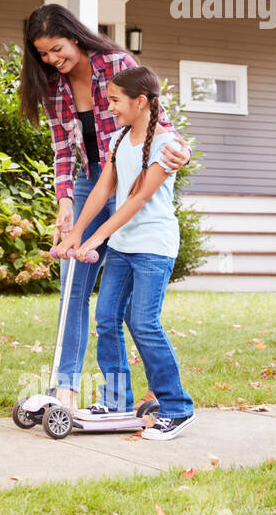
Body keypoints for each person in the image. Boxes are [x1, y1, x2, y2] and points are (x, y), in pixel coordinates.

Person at [18, 3, 191, 411]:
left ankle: (157, 398)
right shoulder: (53, 85)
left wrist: (178, 148)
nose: (51, 60)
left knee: (133, 315)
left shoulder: (115, 63)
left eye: (57, 49)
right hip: (89, 181)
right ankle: (67, 390)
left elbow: (151, 115)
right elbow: (63, 149)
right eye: (43, 54)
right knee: (74, 287)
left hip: (129, 174)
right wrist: (65, 203)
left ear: (74, 37)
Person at [56, 65, 195, 440]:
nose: (110, 106)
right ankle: (116, 401)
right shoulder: (118, 140)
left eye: (116, 100)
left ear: (141, 102)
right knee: (106, 319)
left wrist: (95, 239)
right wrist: (75, 235)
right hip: (123, 247)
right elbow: (102, 191)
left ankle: (177, 407)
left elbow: (137, 199)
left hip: (153, 248)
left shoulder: (166, 146)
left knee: (144, 323)